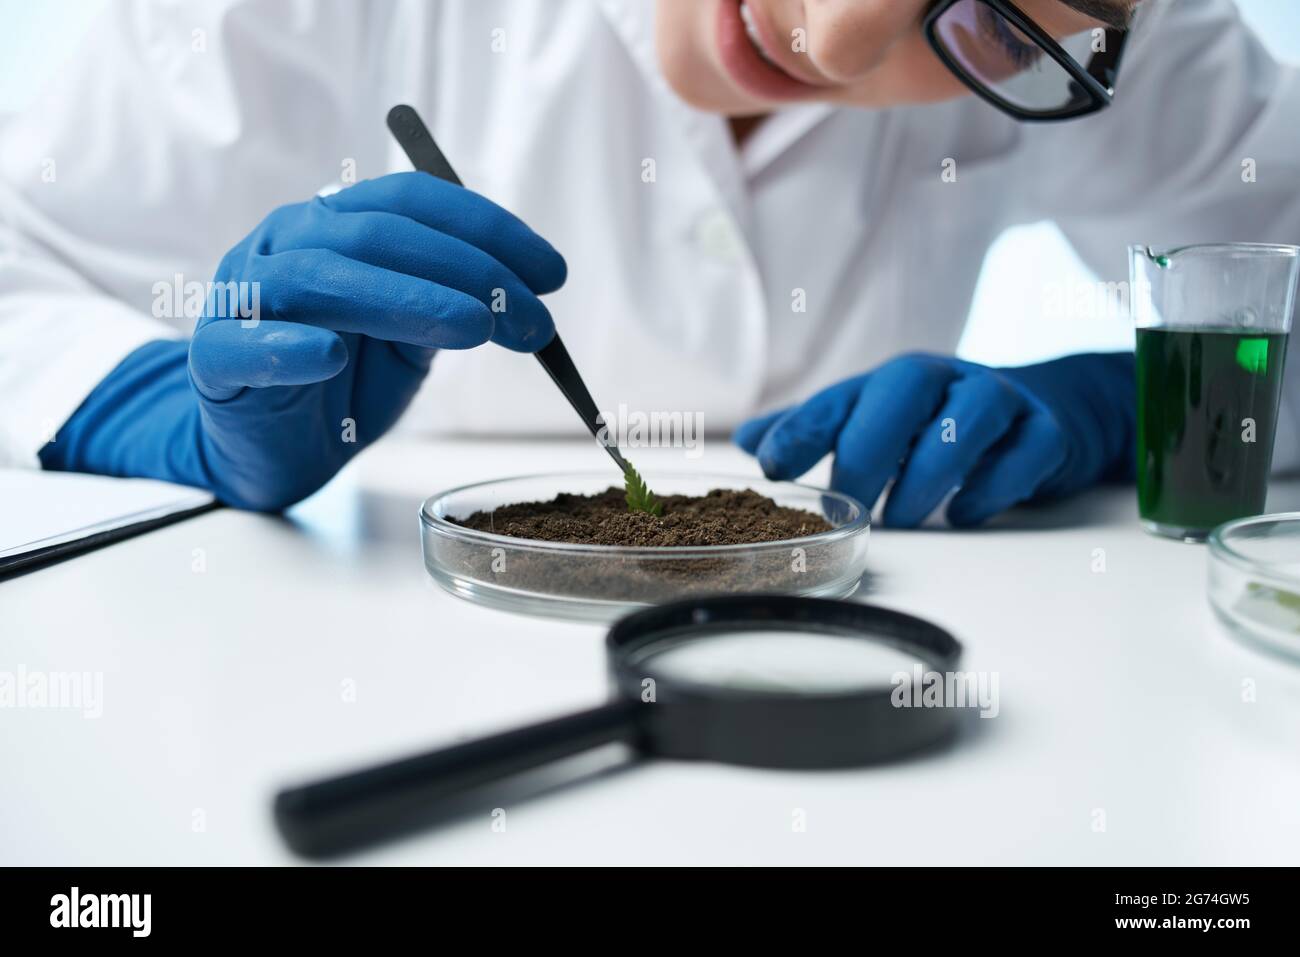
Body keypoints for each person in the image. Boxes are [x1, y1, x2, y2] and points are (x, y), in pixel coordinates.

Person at [1, 0, 1296, 525]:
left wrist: (1139, 405)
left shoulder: (1107, 31)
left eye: (995, 21)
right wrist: (180, 424)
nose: (833, 41)